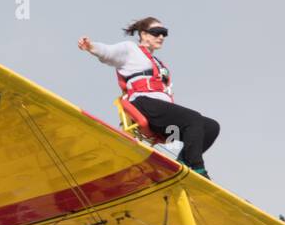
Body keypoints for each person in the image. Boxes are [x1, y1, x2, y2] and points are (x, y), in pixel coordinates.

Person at [78, 17, 221, 178]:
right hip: (144, 104)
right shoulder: (131, 50)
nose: (161, 37)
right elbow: (109, 53)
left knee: (211, 126)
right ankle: (198, 169)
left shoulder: (157, 62)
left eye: (164, 33)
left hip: (161, 115)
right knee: (193, 119)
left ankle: (184, 162)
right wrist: (91, 46)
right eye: (157, 33)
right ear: (144, 35)